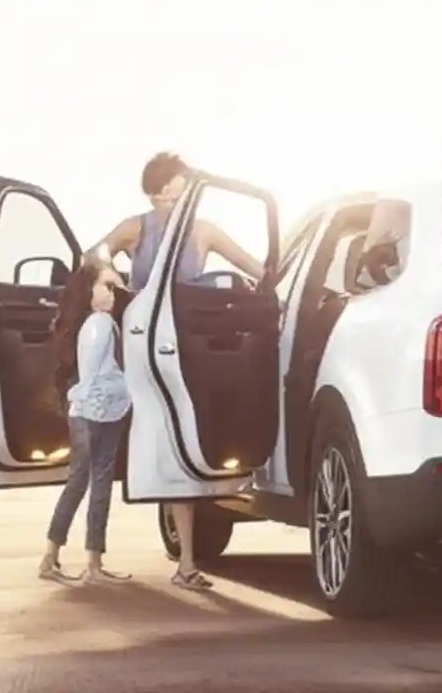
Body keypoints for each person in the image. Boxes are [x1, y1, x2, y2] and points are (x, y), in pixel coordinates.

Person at [86, 151, 266, 591]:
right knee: (133, 445)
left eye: (180, 192)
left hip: (190, 345)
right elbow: (95, 251)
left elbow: (258, 268)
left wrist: (262, 291)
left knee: (183, 442)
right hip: (146, 345)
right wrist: (108, 269)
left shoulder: (204, 231)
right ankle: (92, 555)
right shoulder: (137, 227)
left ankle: (186, 561)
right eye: (166, 194)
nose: (173, 200)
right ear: (154, 193)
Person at [38, 259, 132, 584]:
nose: (113, 293)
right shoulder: (100, 324)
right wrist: (89, 401)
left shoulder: (96, 322)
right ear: (88, 291)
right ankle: (79, 560)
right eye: (106, 286)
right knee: (88, 482)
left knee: (88, 483)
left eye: (114, 287)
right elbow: (92, 372)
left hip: (98, 410)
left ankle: (76, 559)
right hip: (96, 411)